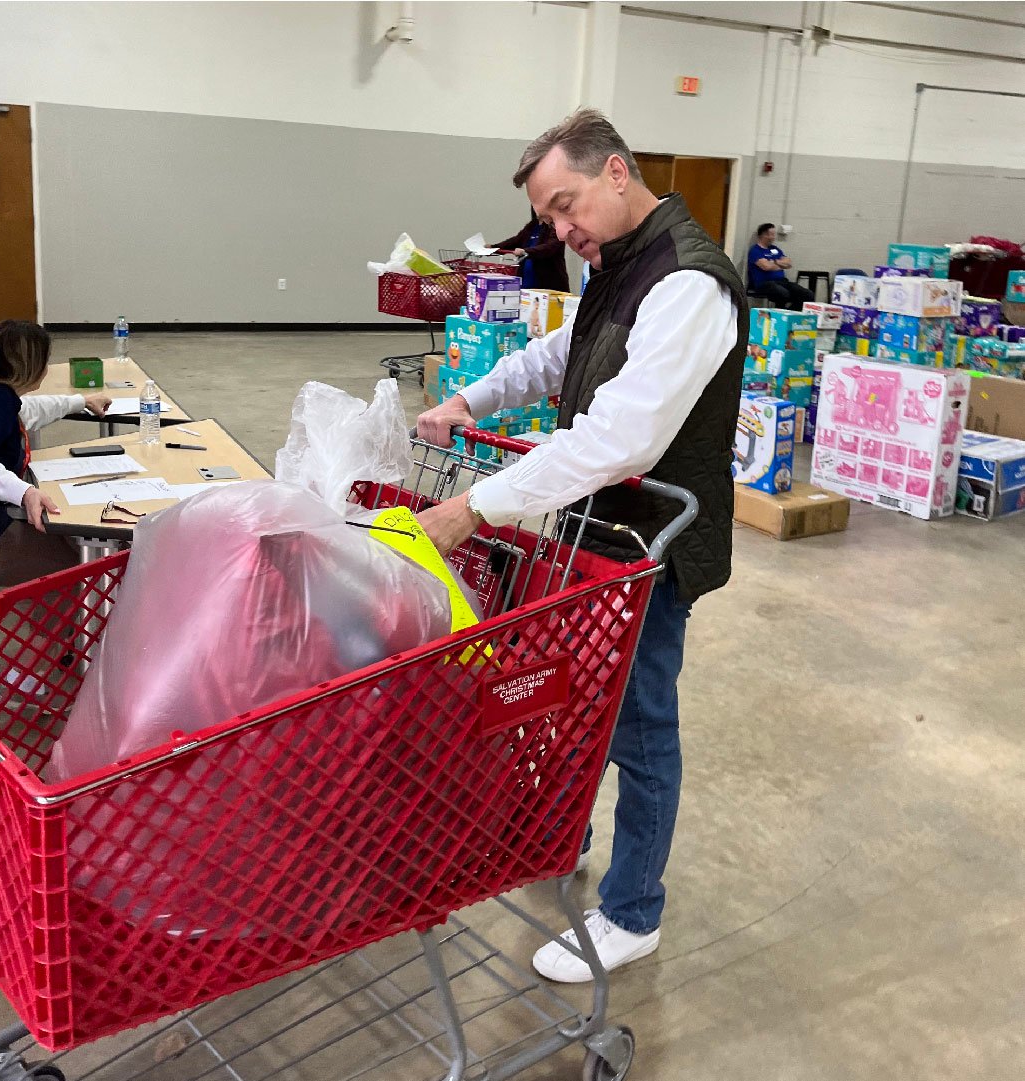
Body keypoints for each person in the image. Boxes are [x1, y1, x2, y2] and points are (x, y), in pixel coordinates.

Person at [415, 108, 745, 982]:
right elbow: (558, 356)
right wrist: (469, 401)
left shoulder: (687, 284)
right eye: (549, 218)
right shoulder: (620, 262)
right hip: (594, 535)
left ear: (615, 173)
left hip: (653, 548)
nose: (561, 232)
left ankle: (634, 911)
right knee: (578, 698)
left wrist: (477, 507)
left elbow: (621, 439)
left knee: (639, 724)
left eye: (566, 207)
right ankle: (566, 839)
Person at [0, 320, 112, 591]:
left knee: (64, 536)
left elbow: (25, 411)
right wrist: (23, 492)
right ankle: (67, 633)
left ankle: (61, 630)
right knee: (83, 565)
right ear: (33, 367)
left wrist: (80, 401)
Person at [492, 209, 570, 292]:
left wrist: (526, 251)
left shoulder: (555, 226)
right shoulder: (532, 226)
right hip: (526, 281)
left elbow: (549, 247)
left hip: (547, 283)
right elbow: (516, 241)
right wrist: (494, 248)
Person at [746, 222, 813, 310]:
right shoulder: (755, 251)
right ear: (764, 235)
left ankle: (788, 315)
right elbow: (766, 267)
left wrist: (774, 262)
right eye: (772, 234)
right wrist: (780, 264)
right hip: (764, 283)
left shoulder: (775, 249)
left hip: (782, 281)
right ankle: (779, 316)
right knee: (783, 294)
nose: (774, 237)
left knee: (807, 294)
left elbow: (788, 263)